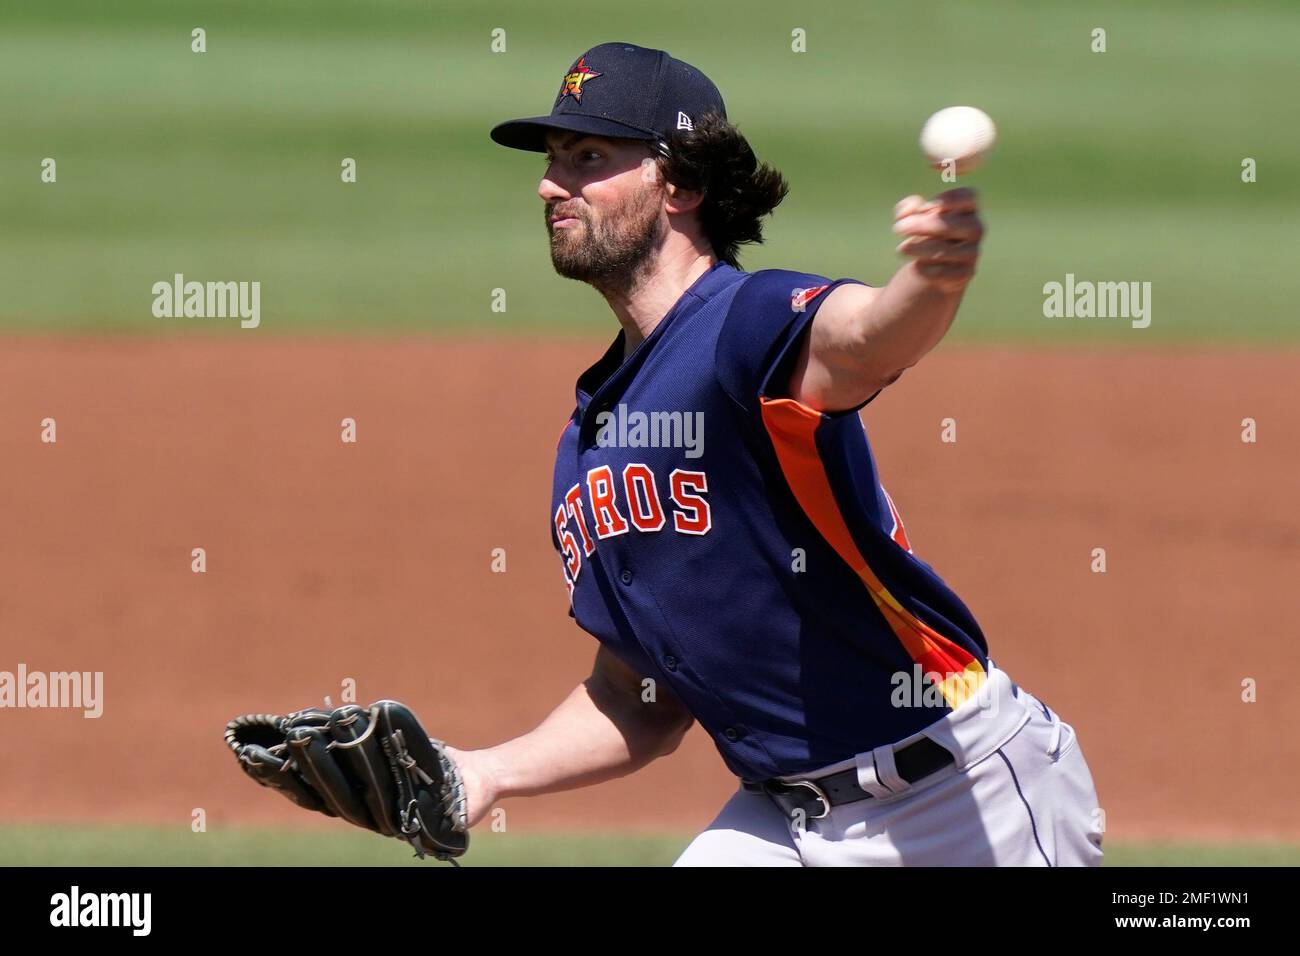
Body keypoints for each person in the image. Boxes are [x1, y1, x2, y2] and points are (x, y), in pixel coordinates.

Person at [451, 41, 1103, 866]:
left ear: (679, 183)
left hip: (956, 799)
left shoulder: (746, 322)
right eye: (552, 162)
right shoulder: (588, 440)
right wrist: (480, 772)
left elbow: (862, 339)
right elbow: (636, 694)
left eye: (588, 157)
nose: (552, 184)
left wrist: (930, 283)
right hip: (780, 820)